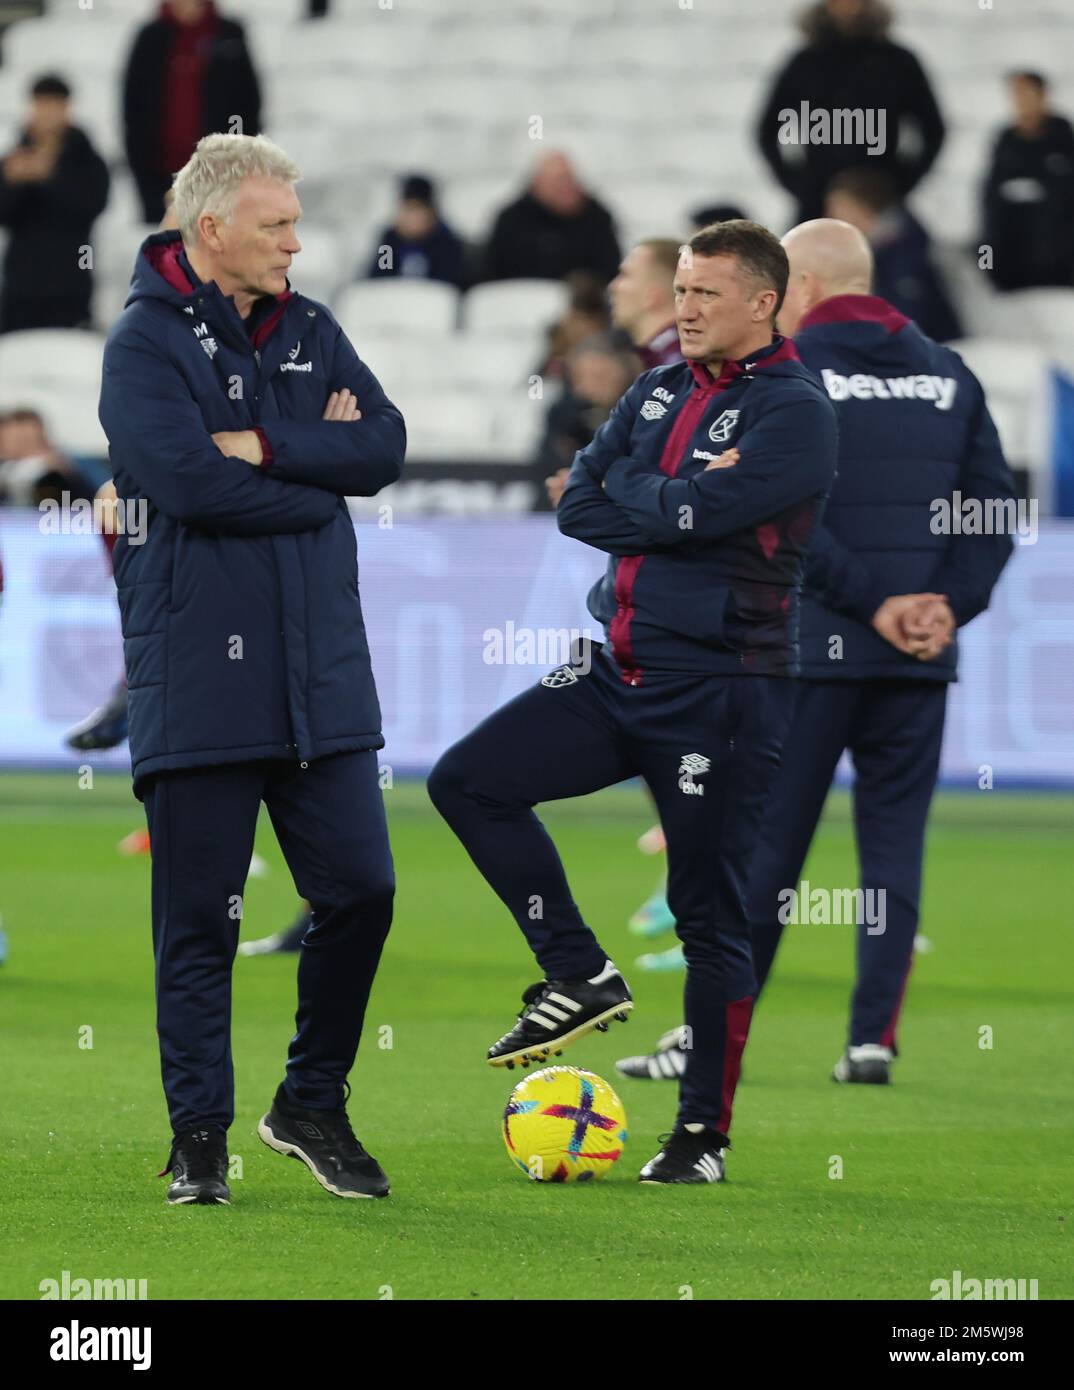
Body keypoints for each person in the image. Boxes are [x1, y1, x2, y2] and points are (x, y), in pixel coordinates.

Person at [429, 220, 838, 1185]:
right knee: (468, 781)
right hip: (618, 670)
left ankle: (701, 1137)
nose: (684, 309)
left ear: (764, 302)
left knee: (708, 917)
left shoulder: (797, 411)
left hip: (722, 689)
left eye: (705, 294)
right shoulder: (656, 387)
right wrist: (675, 493)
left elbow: (701, 512)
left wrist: (648, 494)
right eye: (682, 290)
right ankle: (578, 968)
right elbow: (580, 504)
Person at [617, 219, 1016, 1089]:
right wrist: (941, 609)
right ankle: (870, 1043)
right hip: (915, 662)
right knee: (893, 854)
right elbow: (993, 511)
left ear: (795, 286)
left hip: (795, 653)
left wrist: (875, 605)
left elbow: (781, 513)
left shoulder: (785, 379)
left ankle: (708, 1045)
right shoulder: (951, 374)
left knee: (755, 860)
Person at [98, 133, 406, 1205]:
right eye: (276, 224)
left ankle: (309, 1099)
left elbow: (385, 445)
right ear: (212, 227)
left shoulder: (313, 325)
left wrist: (265, 446)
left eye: (295, 220)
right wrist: (317, 484)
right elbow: (186, 487)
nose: (295, 240)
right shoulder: (141, 344)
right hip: (200, 677)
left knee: (363, 891)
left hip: (322, 677)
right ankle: (198, 1138)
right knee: (199, 923)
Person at [757, 0, 944, 224]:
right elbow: (767, 130)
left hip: (878, 204)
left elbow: (933, 129)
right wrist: (800, 186)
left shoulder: (898, 62)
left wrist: (901, 184)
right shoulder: (804, 62)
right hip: (818, 203)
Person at [122, 0, 261, 224]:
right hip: (160, 174)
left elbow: (248, 103)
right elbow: (133, 109)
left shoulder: (229, 34)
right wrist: (142, 171)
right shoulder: (150, 37)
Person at [0, 75, 109, 333]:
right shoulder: (14, 159)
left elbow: (92, 206)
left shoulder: (87, 158)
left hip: (72, 282)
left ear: (66, 108)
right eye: (41, 105)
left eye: (54, 106)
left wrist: (52, 177)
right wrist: (12, 184)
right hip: (21, 285)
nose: (47, 114)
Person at [825, 166, 962, 342]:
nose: (831, 215)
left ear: (863, 206)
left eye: (839, 206)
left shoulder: (905, 251)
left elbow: (909, 320)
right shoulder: (867, 248)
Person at [983, 71, 1074, 291]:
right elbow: (989, 200)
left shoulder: (1063, 139)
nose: (1021, 102)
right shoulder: (1005, 140)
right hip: (1013, 271)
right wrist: (987, 265)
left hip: (1060, 268)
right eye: (1016, 95)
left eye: (1027, 94)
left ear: (1043, 96)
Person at [484, 151, 620, 284]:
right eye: (557, 180)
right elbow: (495, 272)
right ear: (536, 184)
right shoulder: (511, 221)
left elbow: (609, 270)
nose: (565, 186)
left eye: (569, 178)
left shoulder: (597, 218)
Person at [366, 174, 464, 287]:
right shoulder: (389, 243)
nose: (410, 216)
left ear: (431, 212)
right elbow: (379, 280)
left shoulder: (446, 243)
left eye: (416, 209)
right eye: (406, 208)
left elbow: (446, 285)